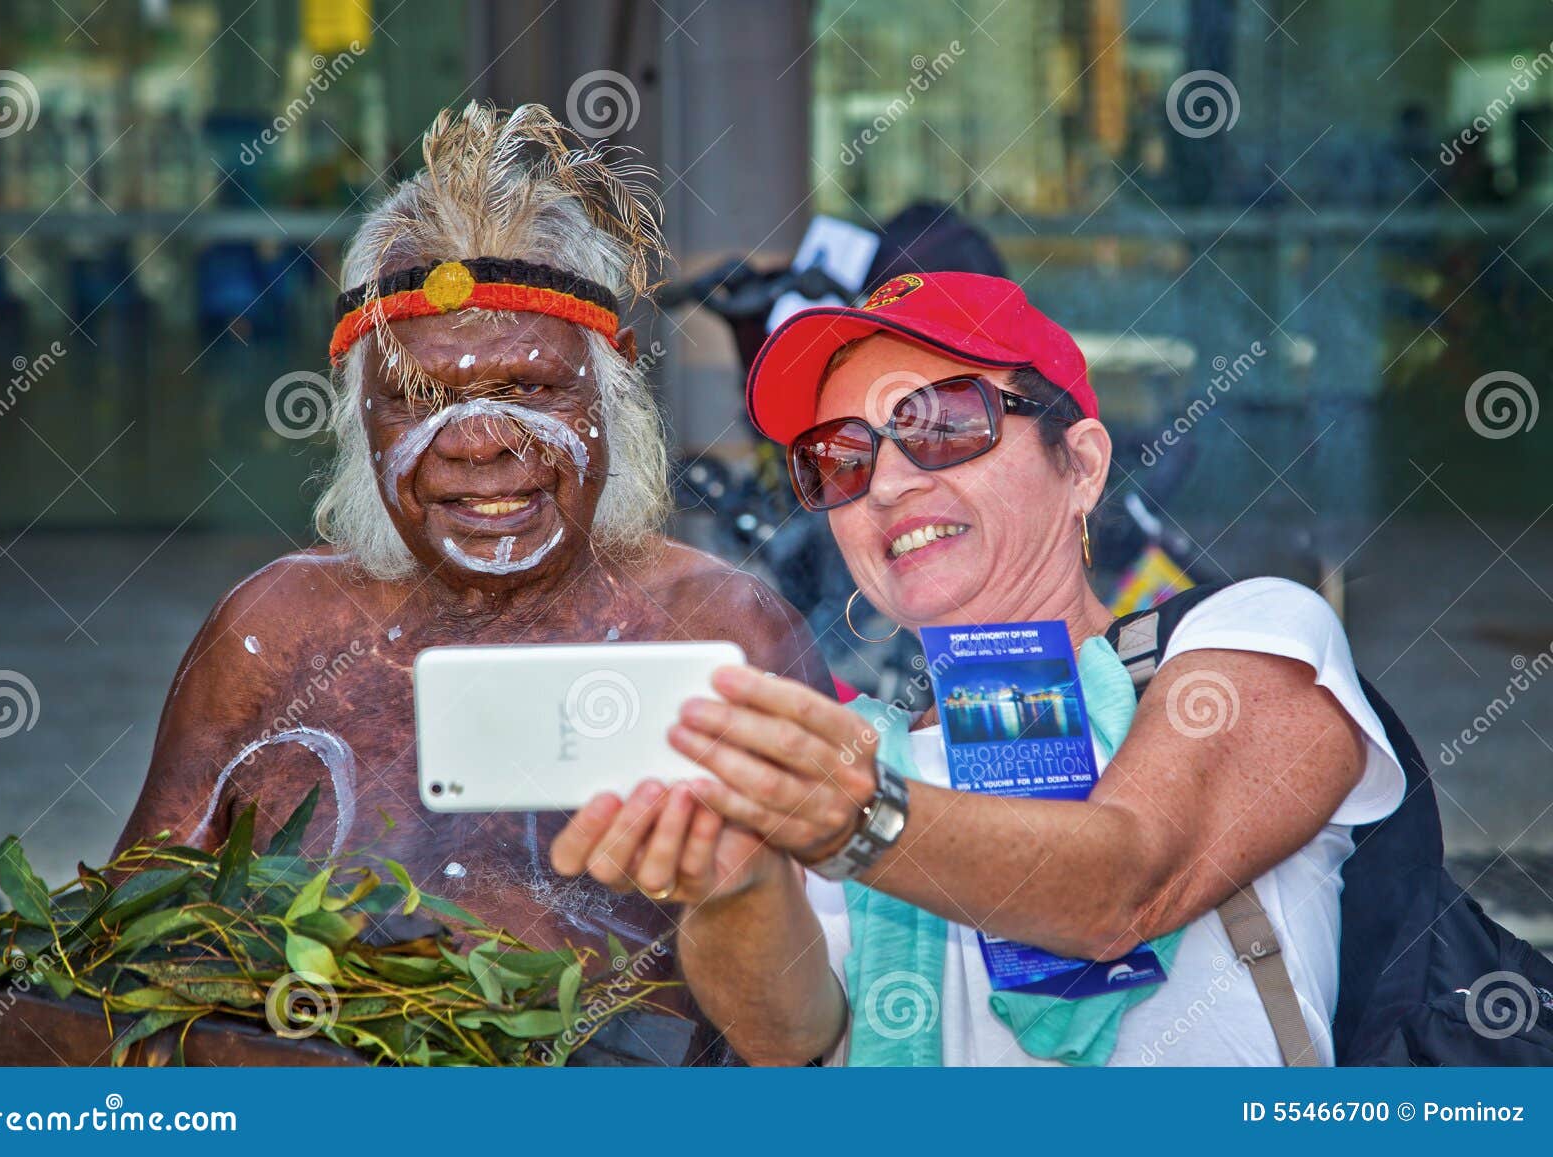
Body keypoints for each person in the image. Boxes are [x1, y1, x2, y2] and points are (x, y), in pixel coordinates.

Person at [114, 103, 828, 1065]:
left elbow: (829, 1019)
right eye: (419, 397)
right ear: (358, 424)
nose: (481, 439)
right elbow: (122, 961)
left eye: (532, 389)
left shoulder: (726, 634)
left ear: (611, 403)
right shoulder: (272, 633)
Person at [552, 271, 1405, 1066]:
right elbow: (792, 1034)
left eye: (945, 423)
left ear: (1082, 464)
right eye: (839, 458)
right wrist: (728, 884)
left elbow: (1125, 884)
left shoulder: (1247, 636)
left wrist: (856, 819)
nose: (884, 483)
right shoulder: (847, 755)